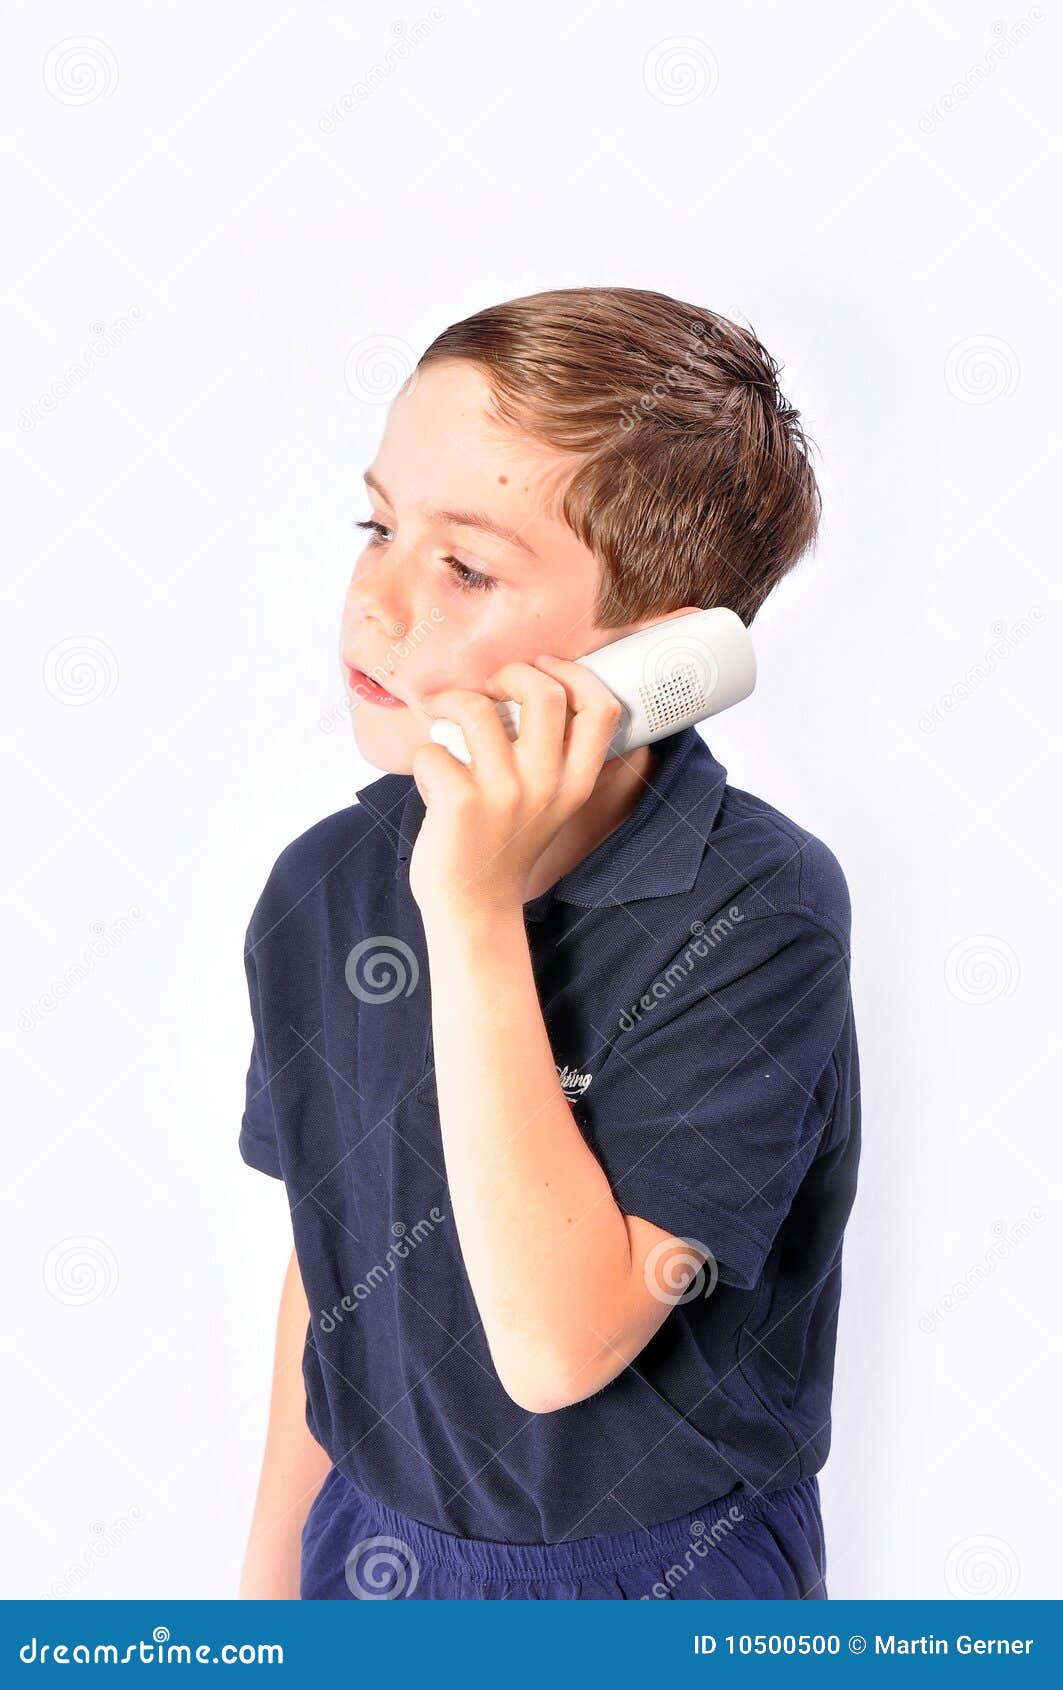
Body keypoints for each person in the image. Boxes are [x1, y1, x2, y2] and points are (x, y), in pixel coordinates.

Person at [236, 287, 860, 1601]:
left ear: (664, 653)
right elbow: (332, 1262)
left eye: (464, 564)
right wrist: (261, 1595)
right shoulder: (328, 888)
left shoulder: (762, 911)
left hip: (656, 1582)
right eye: (379, 525)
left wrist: (471, 913)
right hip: (372, 1545)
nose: (377, 599)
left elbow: (554, 1345)